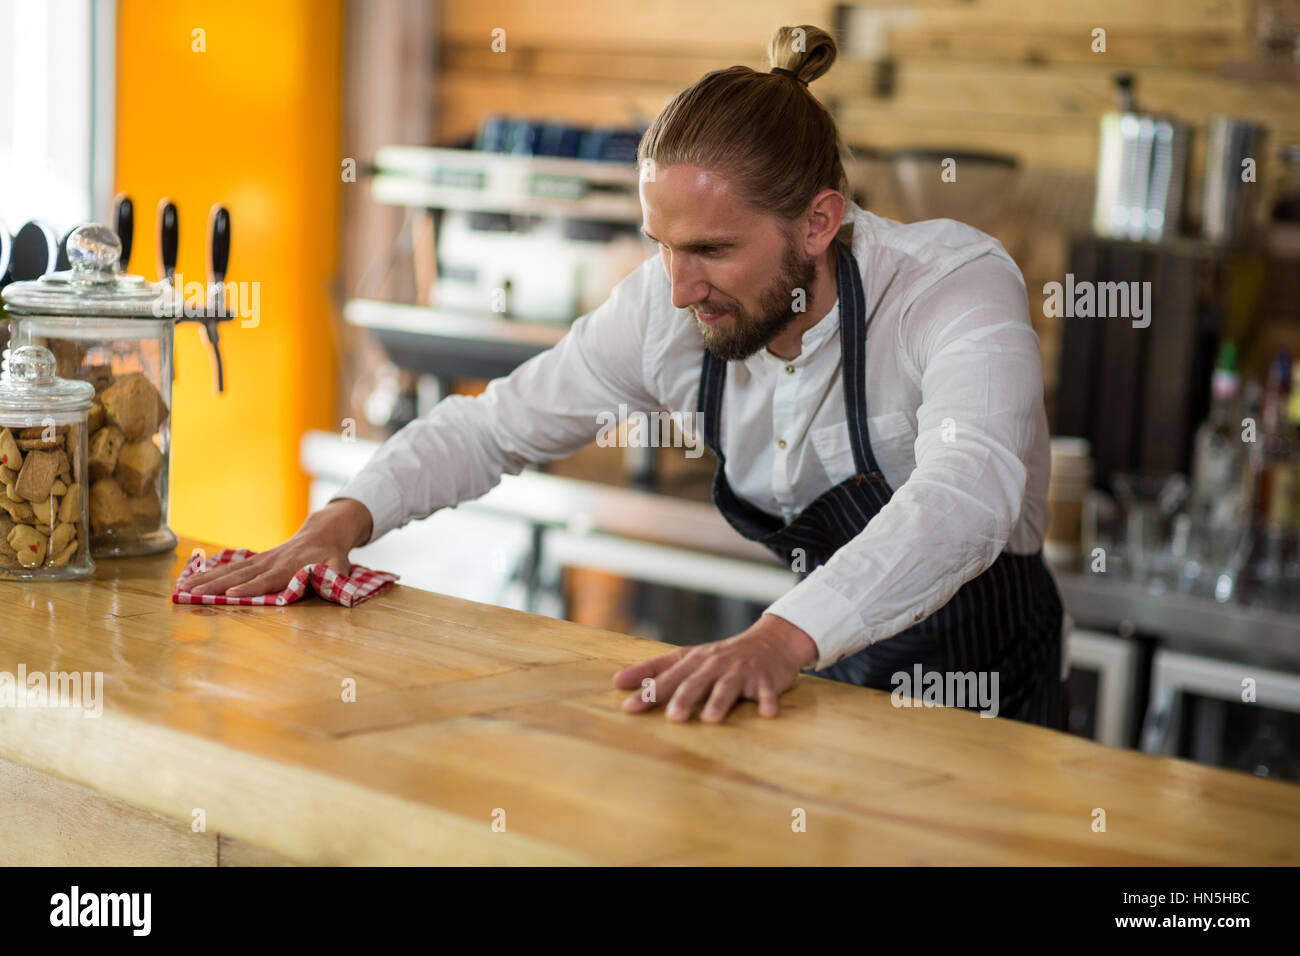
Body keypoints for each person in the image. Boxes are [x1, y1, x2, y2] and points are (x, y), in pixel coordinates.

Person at [185, 24, 1063, 729]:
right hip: (826, 676)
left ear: (818, 223)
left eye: (713, 250)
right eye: (661, 246)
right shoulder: (666, 305)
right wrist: (338, 522)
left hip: (984, 690)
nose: (679, 290)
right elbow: (493, 428)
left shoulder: (950, 288)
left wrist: (778, 638)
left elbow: (966, 493)